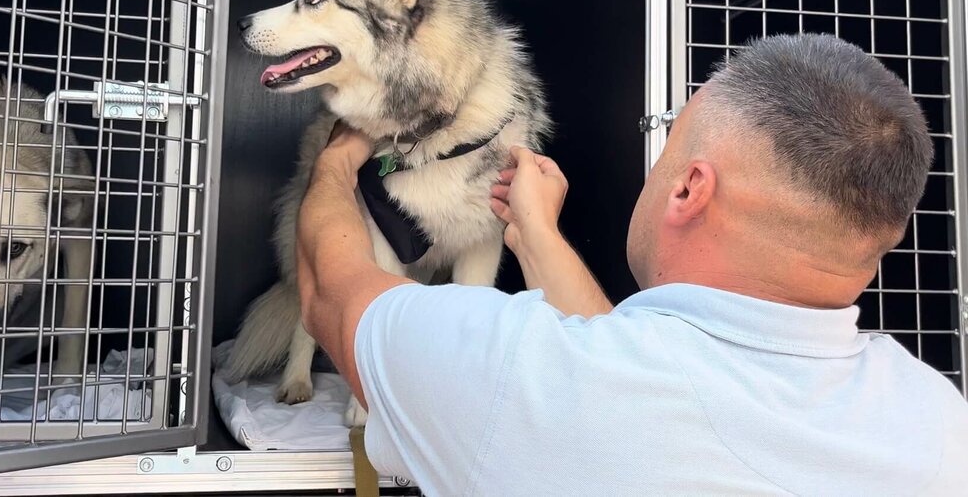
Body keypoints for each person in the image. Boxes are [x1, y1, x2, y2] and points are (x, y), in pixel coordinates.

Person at [295, 34, 968, 495]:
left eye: (670, 146)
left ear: (688, 189)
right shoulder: (937, 422)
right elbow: (625, 365)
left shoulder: (512, 376)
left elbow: (332, 288)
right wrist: (537, 235)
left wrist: (336, 164)